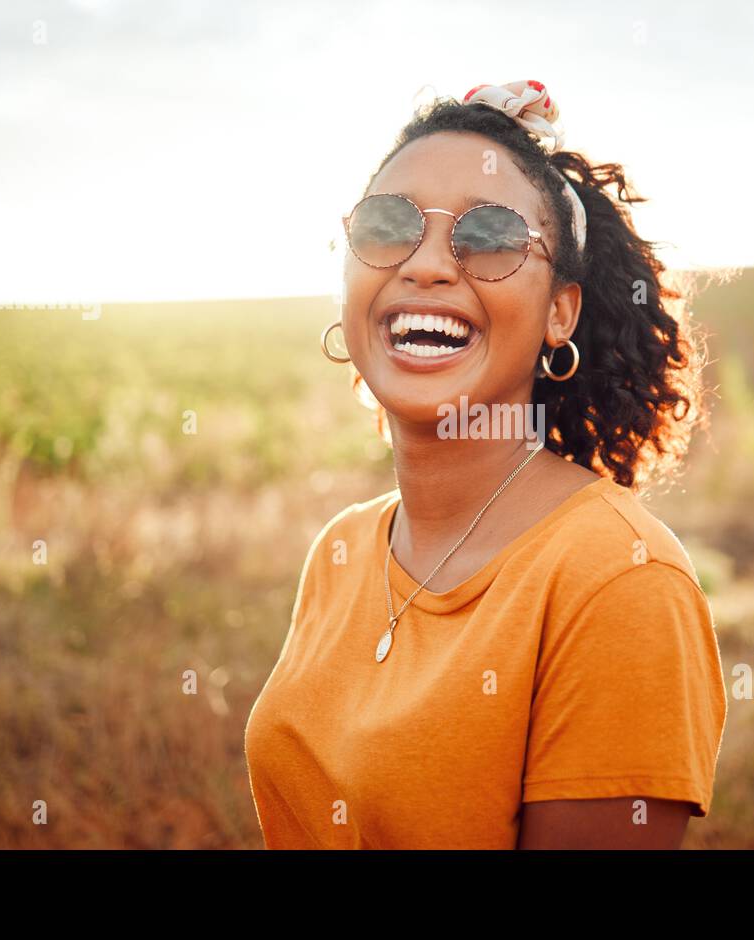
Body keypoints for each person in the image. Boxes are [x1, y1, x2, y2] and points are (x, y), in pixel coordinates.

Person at [244, 80, 727, 849]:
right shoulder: (342, 549)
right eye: (386, 225)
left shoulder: (619, 582)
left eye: (492, 236)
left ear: (560, 311)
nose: (427, 265)